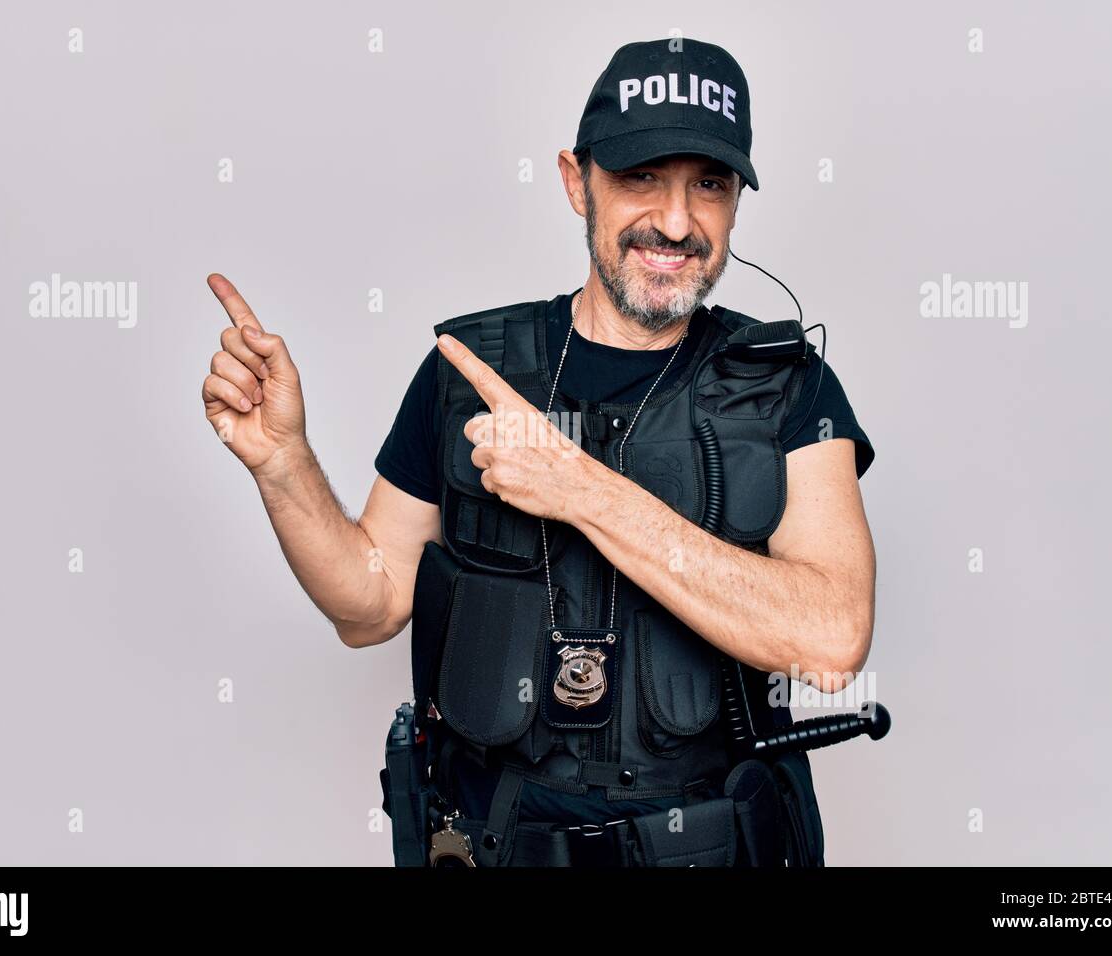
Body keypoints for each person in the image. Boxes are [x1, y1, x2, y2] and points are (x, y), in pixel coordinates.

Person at [200, 37, 876, 867]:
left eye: (709, 185)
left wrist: (581, 489)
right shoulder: (470, 373)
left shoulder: (788, 387)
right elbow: (367, 607)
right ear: (573, 181)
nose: (675, 221)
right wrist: (282, 464)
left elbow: (833, 636)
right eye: (640, 178)